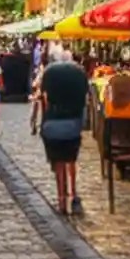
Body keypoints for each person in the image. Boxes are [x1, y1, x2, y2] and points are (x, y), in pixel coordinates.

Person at [40, 48, 88, 216]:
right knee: (71, 161)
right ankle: (74, 194)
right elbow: (84, 101)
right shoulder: (80, 73)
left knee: (58, 163)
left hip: (52, 124)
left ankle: (61, 199)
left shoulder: (48, 73)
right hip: (72, 125)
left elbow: (44, 99)